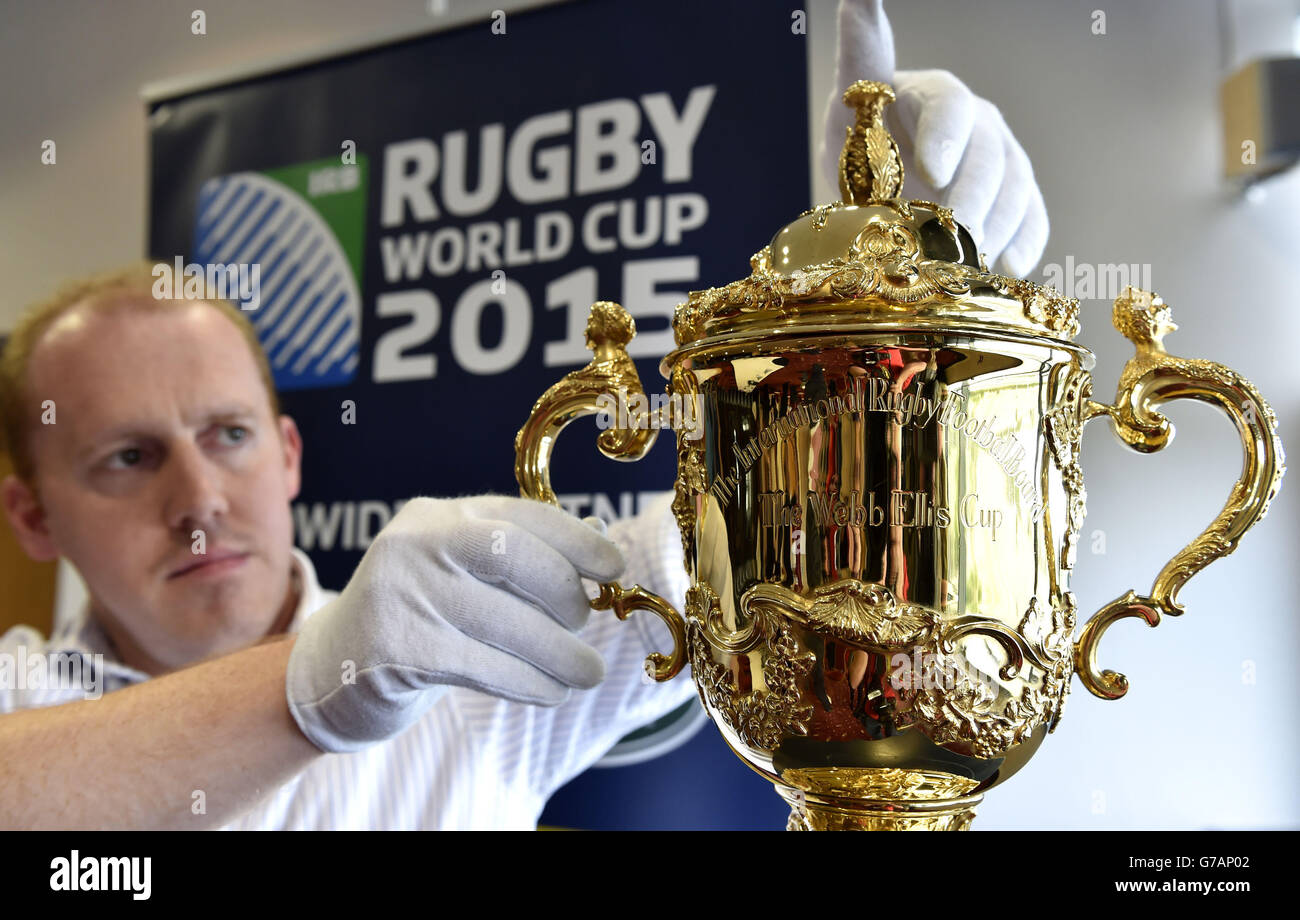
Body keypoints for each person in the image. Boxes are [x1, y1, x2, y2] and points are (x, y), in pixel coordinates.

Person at [0, 0, 1049, 830]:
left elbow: (731, 557)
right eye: (127, 457)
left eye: (227, 434)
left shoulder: (466, 648)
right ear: (32, 514)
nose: (197, 499)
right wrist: (317, 686)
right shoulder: (21, 695)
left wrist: (861, 328)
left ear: (286, 454)